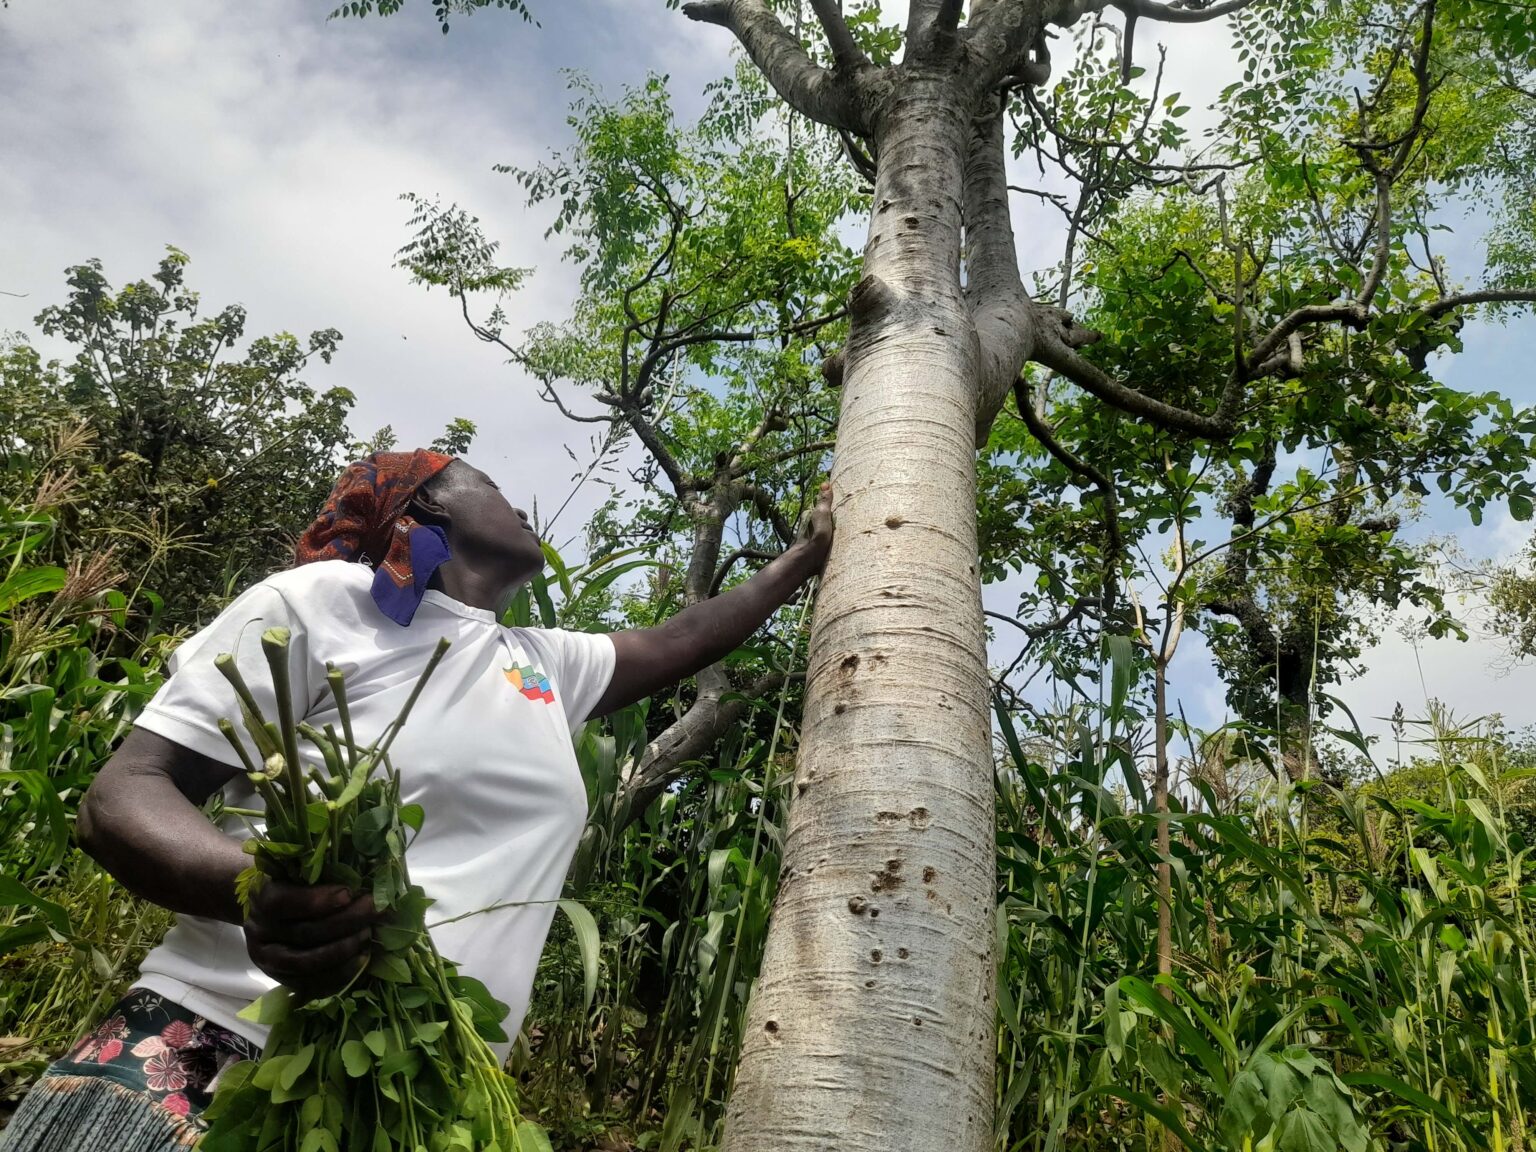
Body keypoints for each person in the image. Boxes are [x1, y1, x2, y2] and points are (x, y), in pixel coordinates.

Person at [1, 449, 832, 1151]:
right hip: (223, 1055)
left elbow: (679, 639)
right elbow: (122, 797)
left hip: (413, 1104)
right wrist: (257, 891)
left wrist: (802, 559)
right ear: (427, 505)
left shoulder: (538, 663)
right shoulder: (323, 604)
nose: (520, 503)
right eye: (497, 488)